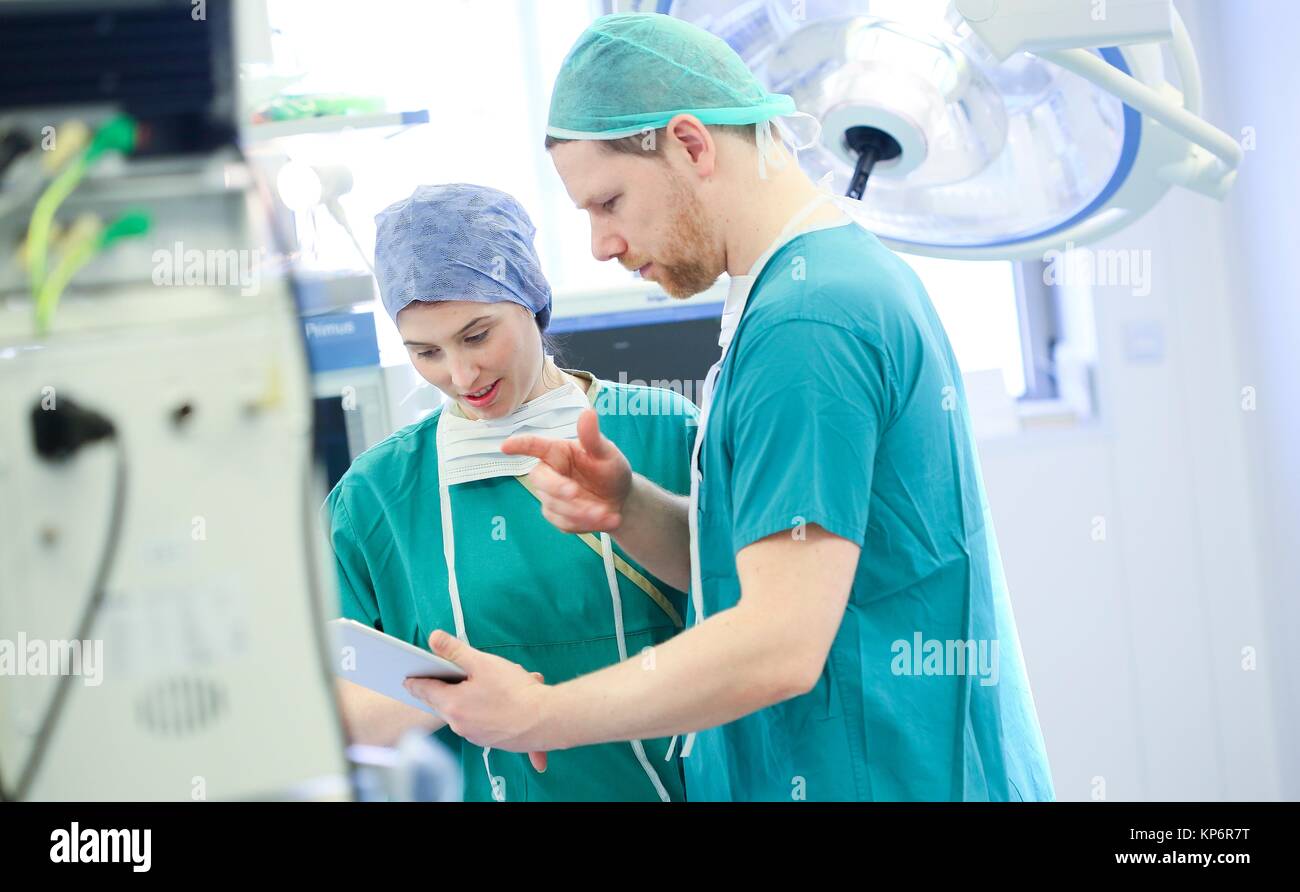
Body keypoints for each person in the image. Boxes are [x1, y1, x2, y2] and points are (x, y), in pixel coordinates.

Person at [404, 14, 1056, 802]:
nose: (600, 244)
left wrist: (540, 716)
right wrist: (629, 508)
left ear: (691, 143)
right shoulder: (793, 296)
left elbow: (778, 641)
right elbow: (763, 575)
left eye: (608, 201)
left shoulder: (808, 325)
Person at [324, 182, 698, 801]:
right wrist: (455, 694)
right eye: (426, 351)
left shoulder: (664, 432)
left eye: (477, 336)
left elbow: (760, 614)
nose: (461, 376)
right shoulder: (376, 498)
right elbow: (331, 714)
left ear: (532, 298)